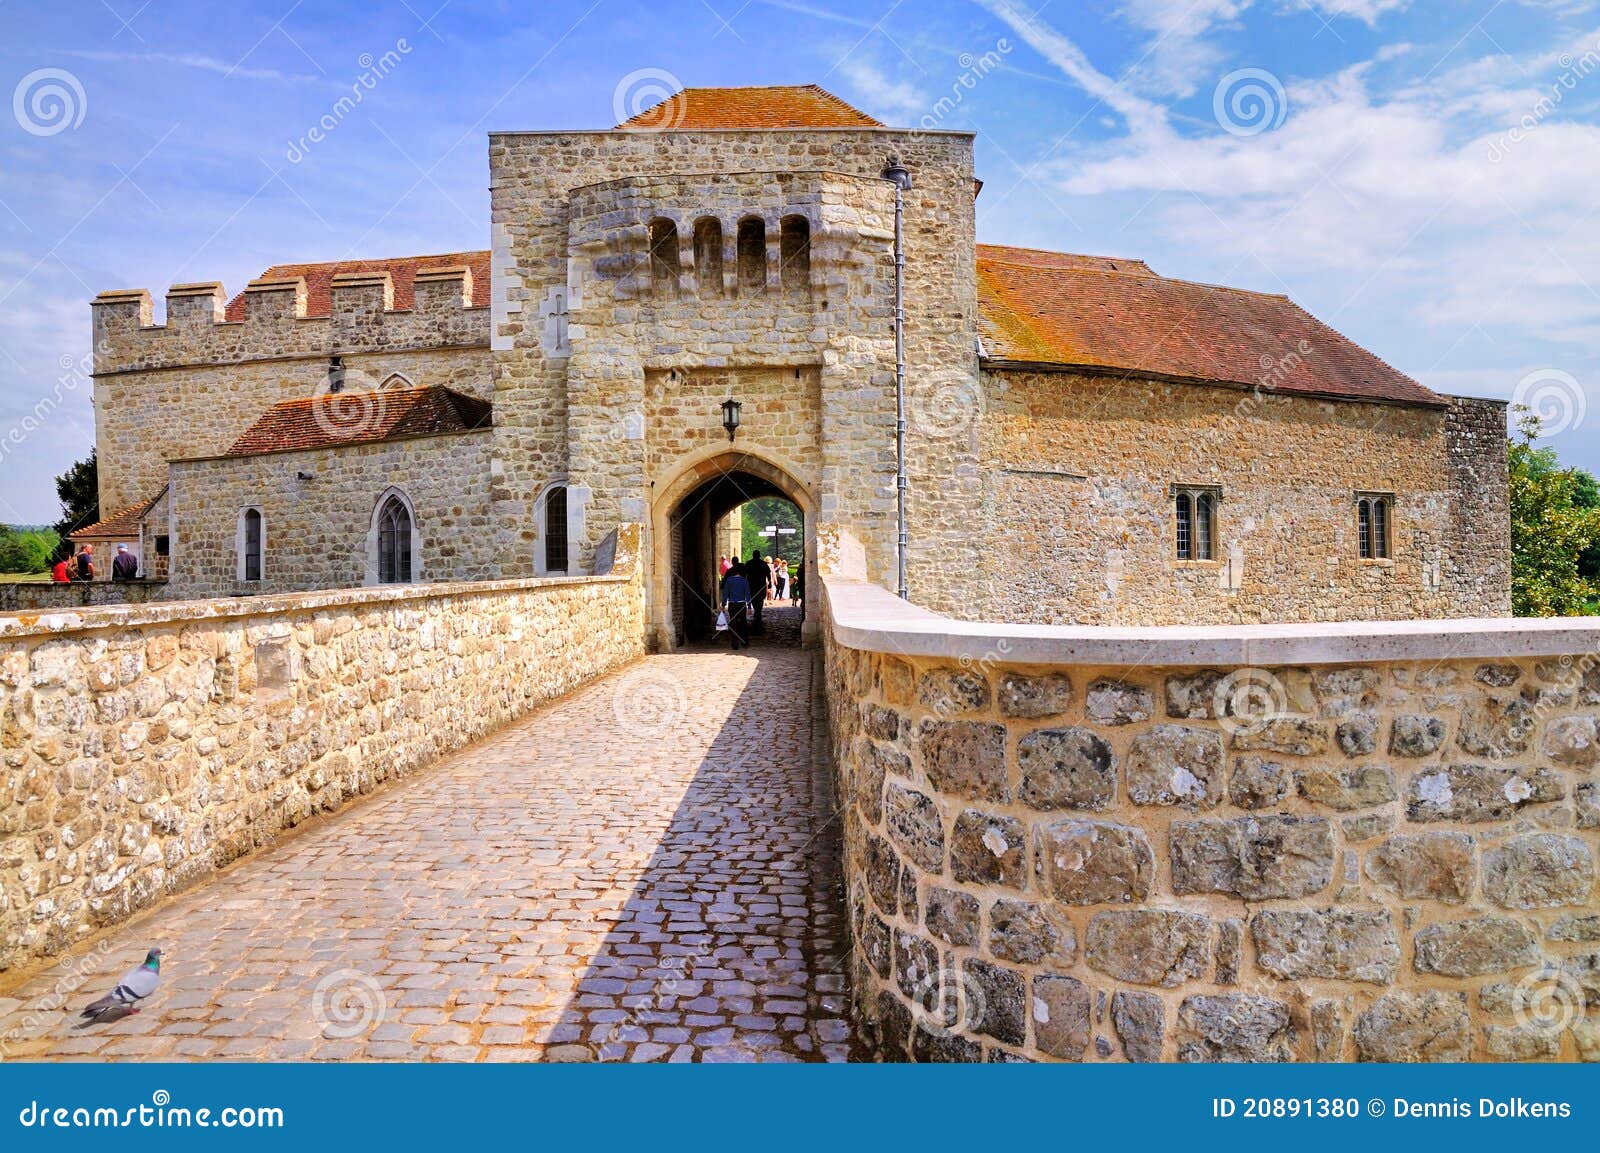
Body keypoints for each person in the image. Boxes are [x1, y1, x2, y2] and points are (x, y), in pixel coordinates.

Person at [721, 561, 752, 650]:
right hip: (742, 604)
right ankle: (745, 641)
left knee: (733, 623)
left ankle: (735, 643)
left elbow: (725, 593)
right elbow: (747, 594)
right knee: (743, 623)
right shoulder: (744, 581)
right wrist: (749, 606)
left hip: (732, 605)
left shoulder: (729, 581)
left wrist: (723, 604)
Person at [746, 549, 772, 634]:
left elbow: (744, 574)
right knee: (759, 601)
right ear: (759, 555)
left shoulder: (749, 563)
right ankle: (758, 614)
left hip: (752, 586)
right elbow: (768, 574)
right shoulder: (763, 564)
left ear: (753, 555)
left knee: (754, 600)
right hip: (760, 586)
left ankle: (757, 614)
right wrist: (770, 584)